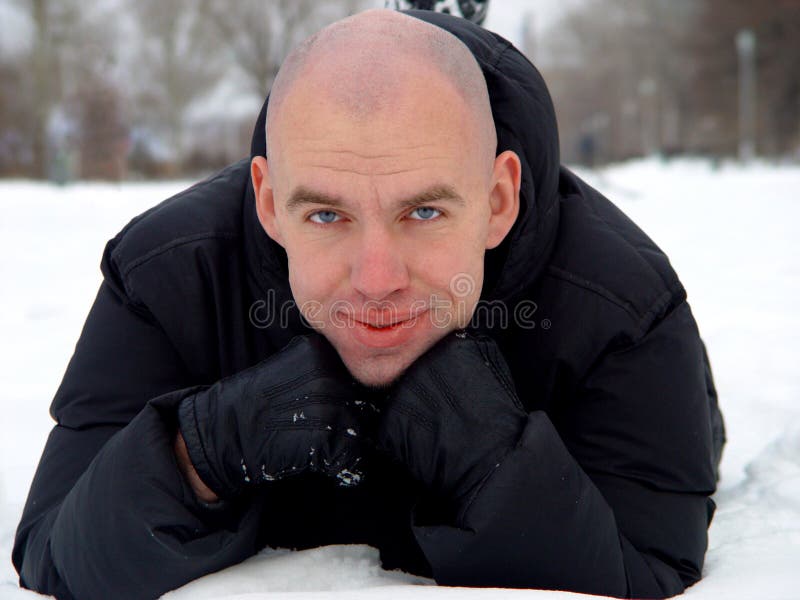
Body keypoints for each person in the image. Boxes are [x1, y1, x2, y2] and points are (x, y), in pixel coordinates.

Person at [12, 9, 725, 600]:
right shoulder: (171, 276)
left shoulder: (620, 303)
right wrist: (206, 447)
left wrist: (492, 458)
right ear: (266, 201)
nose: (376, 279)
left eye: (423, 213)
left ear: (500, 201)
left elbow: (651, 562)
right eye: (327, 216)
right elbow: (51, 549)